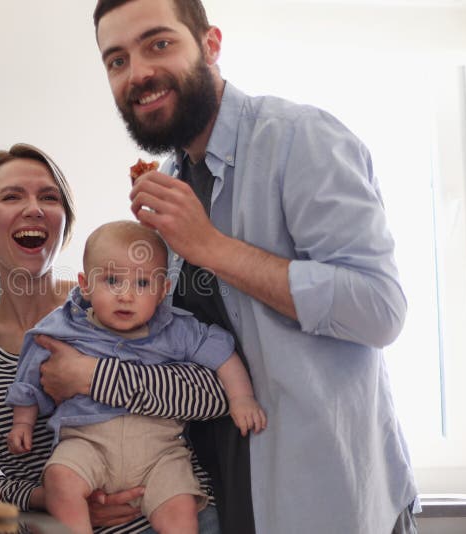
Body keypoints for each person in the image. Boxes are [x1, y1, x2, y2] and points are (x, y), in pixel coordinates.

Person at [34, 1, 419, 533]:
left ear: (210, 45)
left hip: (328, 505)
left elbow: (380, 309)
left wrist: (211, 246)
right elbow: (187, 361)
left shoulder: (300, 138)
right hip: (226, 508)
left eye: (159, 43)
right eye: (116, 60)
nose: (138, 73)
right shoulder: (173, 181)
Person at [0, 143, 231, 533]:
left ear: (64, 222)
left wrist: (91, 376)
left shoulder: (126, 302)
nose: (34, 208)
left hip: (178, 515)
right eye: (12, 196)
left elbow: (217, 395)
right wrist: (46, 498)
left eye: (49, 197)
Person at [5, 220, 266, 534]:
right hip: (88, 443)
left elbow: (222, 354)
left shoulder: (176, 329)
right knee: (60, 478)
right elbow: (32, 367)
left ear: (162, 291)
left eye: (142, 284)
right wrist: (23, 420)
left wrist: (242, 397)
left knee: (180, 508)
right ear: (85, 285)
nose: (126, 295)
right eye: (112, 280)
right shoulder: (66, 325)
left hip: (160, 450)